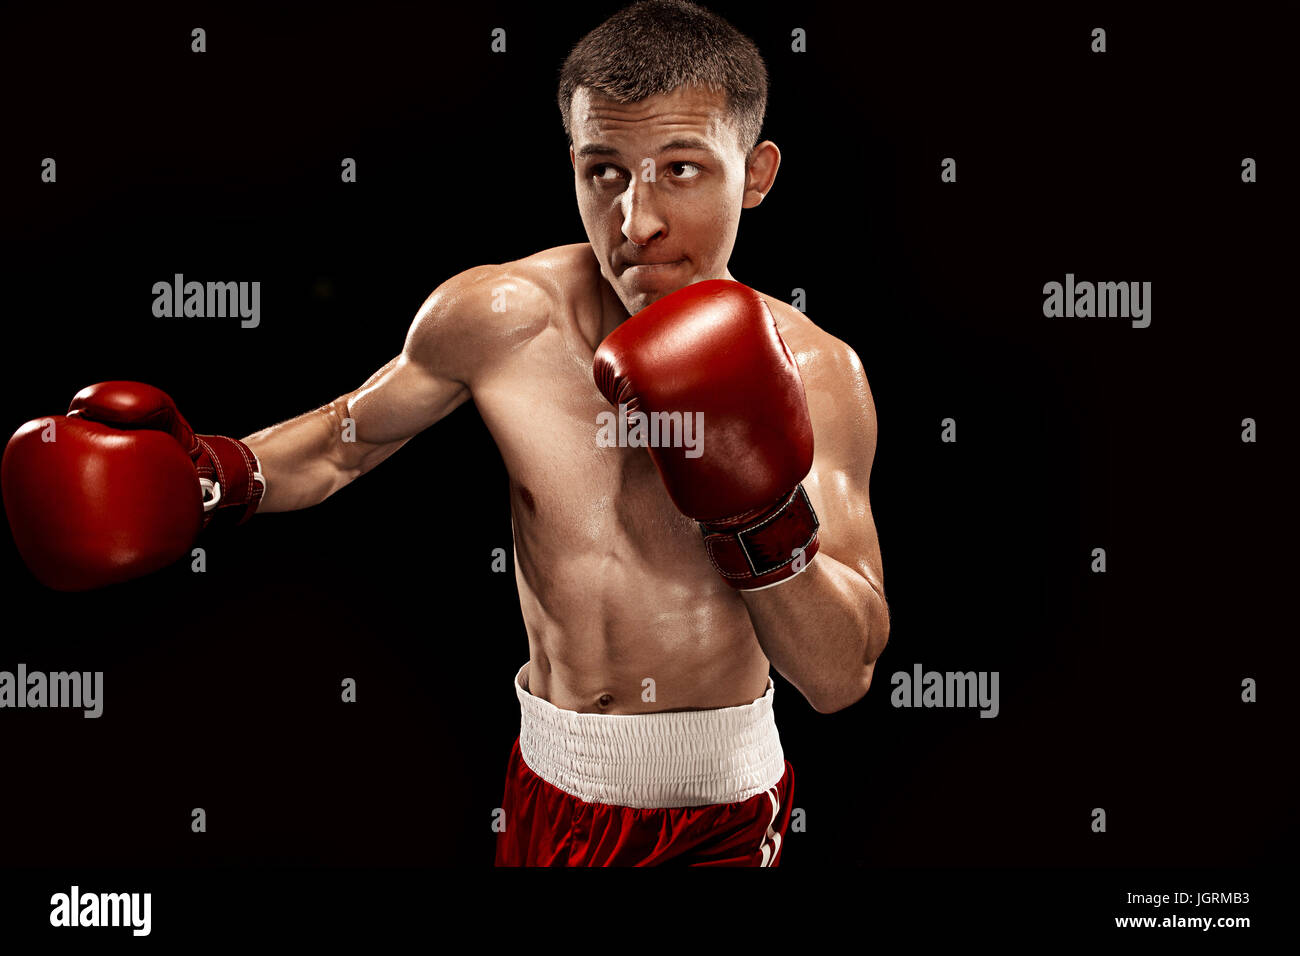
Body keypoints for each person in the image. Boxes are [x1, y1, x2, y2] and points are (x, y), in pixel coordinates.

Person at [2, 0, 889, 866]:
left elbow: (840, 674)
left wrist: (755, 513)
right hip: (547, 779)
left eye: (682, 169)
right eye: (604, 170)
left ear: (759, 172)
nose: (636, 221)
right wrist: (211, 477)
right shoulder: (500, 316)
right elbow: (345, 440)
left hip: (717, 812)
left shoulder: (818, 375)